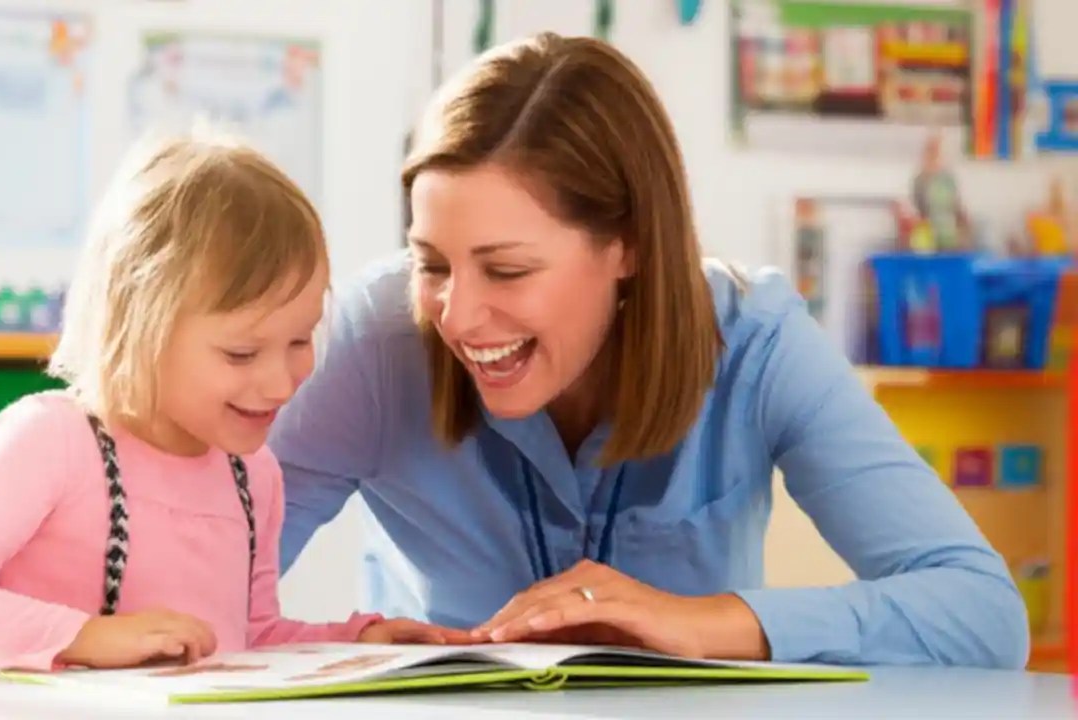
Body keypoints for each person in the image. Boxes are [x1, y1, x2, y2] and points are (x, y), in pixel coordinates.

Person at [270, 33, 1030, 668]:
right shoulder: (380, 339)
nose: (457, 314)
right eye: (431, 264)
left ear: (627, 245)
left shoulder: (755, 344)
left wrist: (703, 623)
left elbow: (983, 614)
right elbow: (210, 578)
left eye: (507, 269)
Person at [0, 127, 456, 680]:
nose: (281, 383)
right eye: (242, 354)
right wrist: (85, 637)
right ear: (141, 325)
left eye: (301, 340)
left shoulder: (252, 474)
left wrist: (353, 643)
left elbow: (243, 640)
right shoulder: (53, 440)